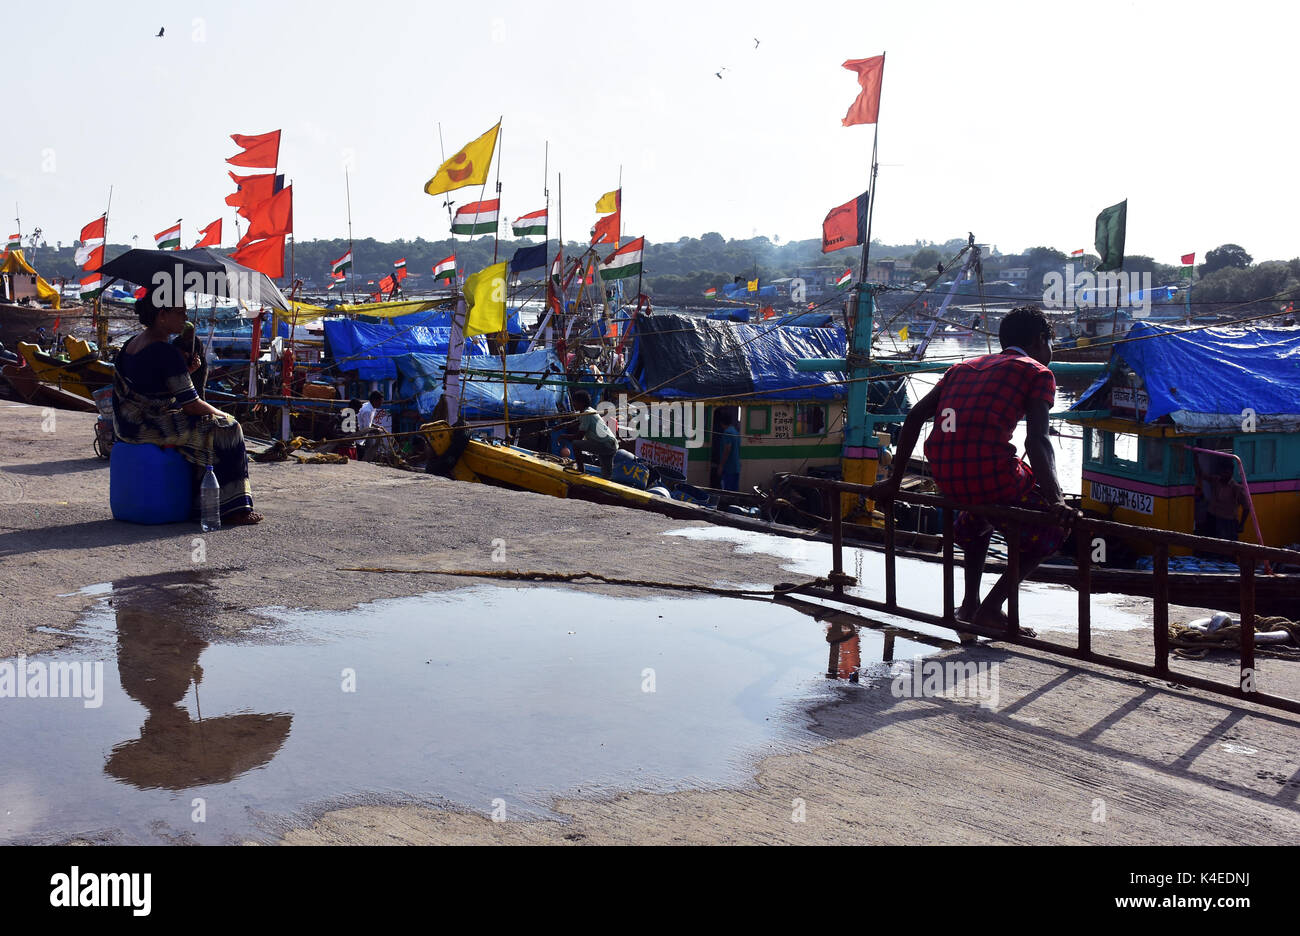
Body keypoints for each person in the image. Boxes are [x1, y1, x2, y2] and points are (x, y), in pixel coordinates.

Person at [869, 306, 1077, 638]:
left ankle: (968, 604)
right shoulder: (1038, 373)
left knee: (977, 517)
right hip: (989, 475)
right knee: (1052, 529)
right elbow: (1037, 440)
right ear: (1041, 341)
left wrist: (894, 480)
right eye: (1050, 343)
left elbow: (914, 417)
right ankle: (990, 610)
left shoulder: (961, 367)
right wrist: (1057, 500)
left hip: (946, 474)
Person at [112, 291, 261, 525]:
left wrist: (185, 373)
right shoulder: (165, 351)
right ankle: (234, 509)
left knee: (209, 429)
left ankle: (199, 501)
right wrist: (222, 414)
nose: (186, 318)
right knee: (229, 428)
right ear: (162, 315)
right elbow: (192, 405)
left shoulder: (132, 343)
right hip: (148, 426)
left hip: (125, 424)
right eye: (180, 312)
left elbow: (150, 384)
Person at [1194, 452, 1251, 542]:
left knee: (1226, 548)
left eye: (1225, 472)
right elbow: (1200, 474)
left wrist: (1241, 524)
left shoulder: (1237, 488)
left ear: (1231, 473)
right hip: (1212, 517)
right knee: (1210, 544)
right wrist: (1195, 457)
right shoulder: (1216, 480)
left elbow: (1247, 508)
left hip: (1228, 522)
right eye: (1222, 472)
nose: (1223, 474)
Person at [564, 389, 618, 479]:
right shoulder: (589, 411)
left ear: (581, 403)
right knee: (606, 474)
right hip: (611, 445)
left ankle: (580, 470)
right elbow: (577, 421)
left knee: (576, 444)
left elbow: (579, 436)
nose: (573, 404)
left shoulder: (586, 414)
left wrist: (563, 436)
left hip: (604, 445)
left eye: (575, 402)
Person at [717, 409, 742, 491]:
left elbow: (727, 449)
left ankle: (727, 503)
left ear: (721, 423)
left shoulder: (727, 432)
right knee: (734, 490)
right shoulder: (735, 432)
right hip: (736, 467)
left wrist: (721, 466)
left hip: (728, 468)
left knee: (727, 489)